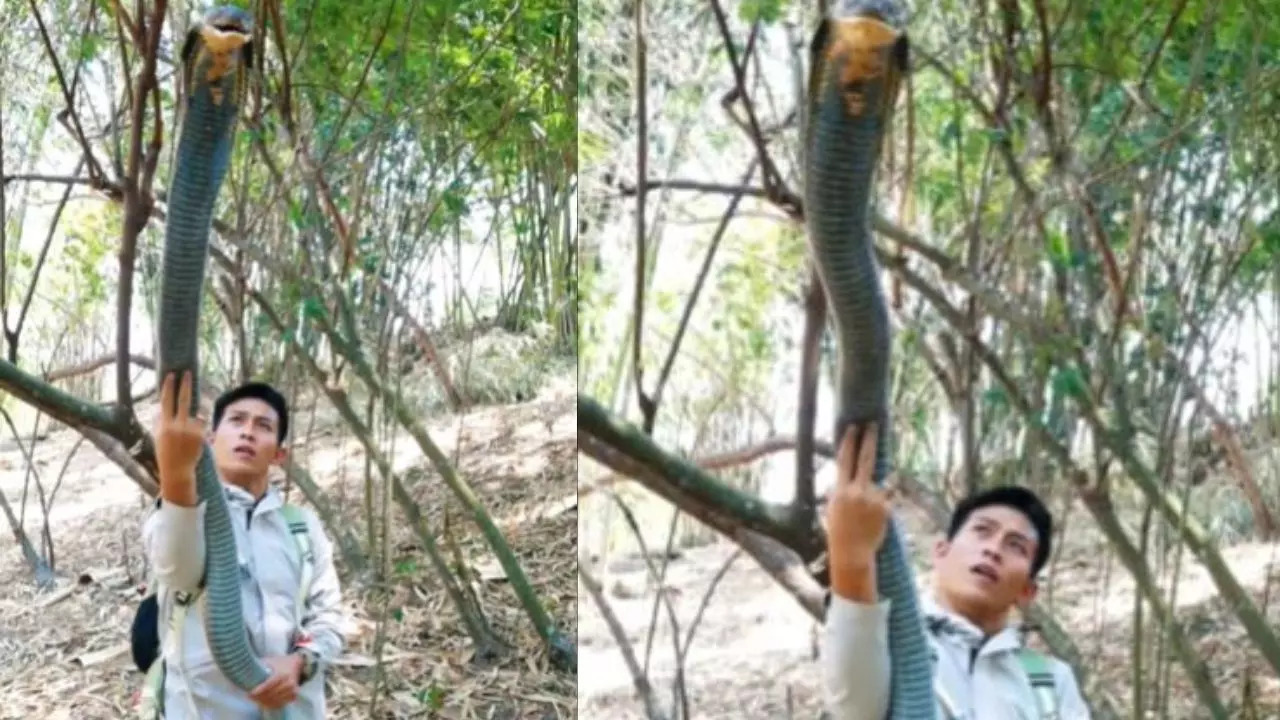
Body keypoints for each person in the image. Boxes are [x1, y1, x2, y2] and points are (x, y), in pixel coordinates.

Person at [821, 424, 1090, 720]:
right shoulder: (889, 639)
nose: (993, 549)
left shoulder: (1052, 682)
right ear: (941, 552)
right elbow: (854, 709)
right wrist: (850, 554)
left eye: (1016, 546)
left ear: (1027, 592)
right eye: (982, 530)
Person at [141, 372, 345, 718]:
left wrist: (300, 661)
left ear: (280, 454)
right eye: (236, 421)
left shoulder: (302, 528)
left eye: (264, 426)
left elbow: (328, 616)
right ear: (210, 438)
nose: (248, 431)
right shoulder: (183, 510)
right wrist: (176, 475)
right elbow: (179, 572)